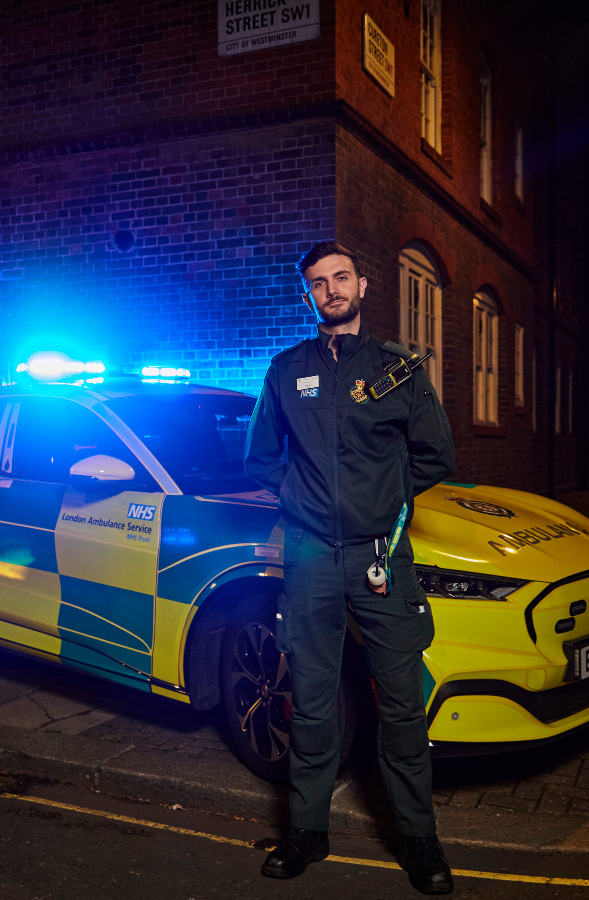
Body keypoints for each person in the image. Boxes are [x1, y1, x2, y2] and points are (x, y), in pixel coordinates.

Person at [244, 239, 457, 894]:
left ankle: (419, 840)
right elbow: (260, 456)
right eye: (318, 282)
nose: (331, 289)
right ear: (308, 294)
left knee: (400, 707)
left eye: (341, 278)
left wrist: (379, 504)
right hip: (309, 559)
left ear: (363, 286)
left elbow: (435, 457)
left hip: (381, 561)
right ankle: (307, 830)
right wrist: (303, 502)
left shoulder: (397, 370)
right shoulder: (286, 371)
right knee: (310, 701)